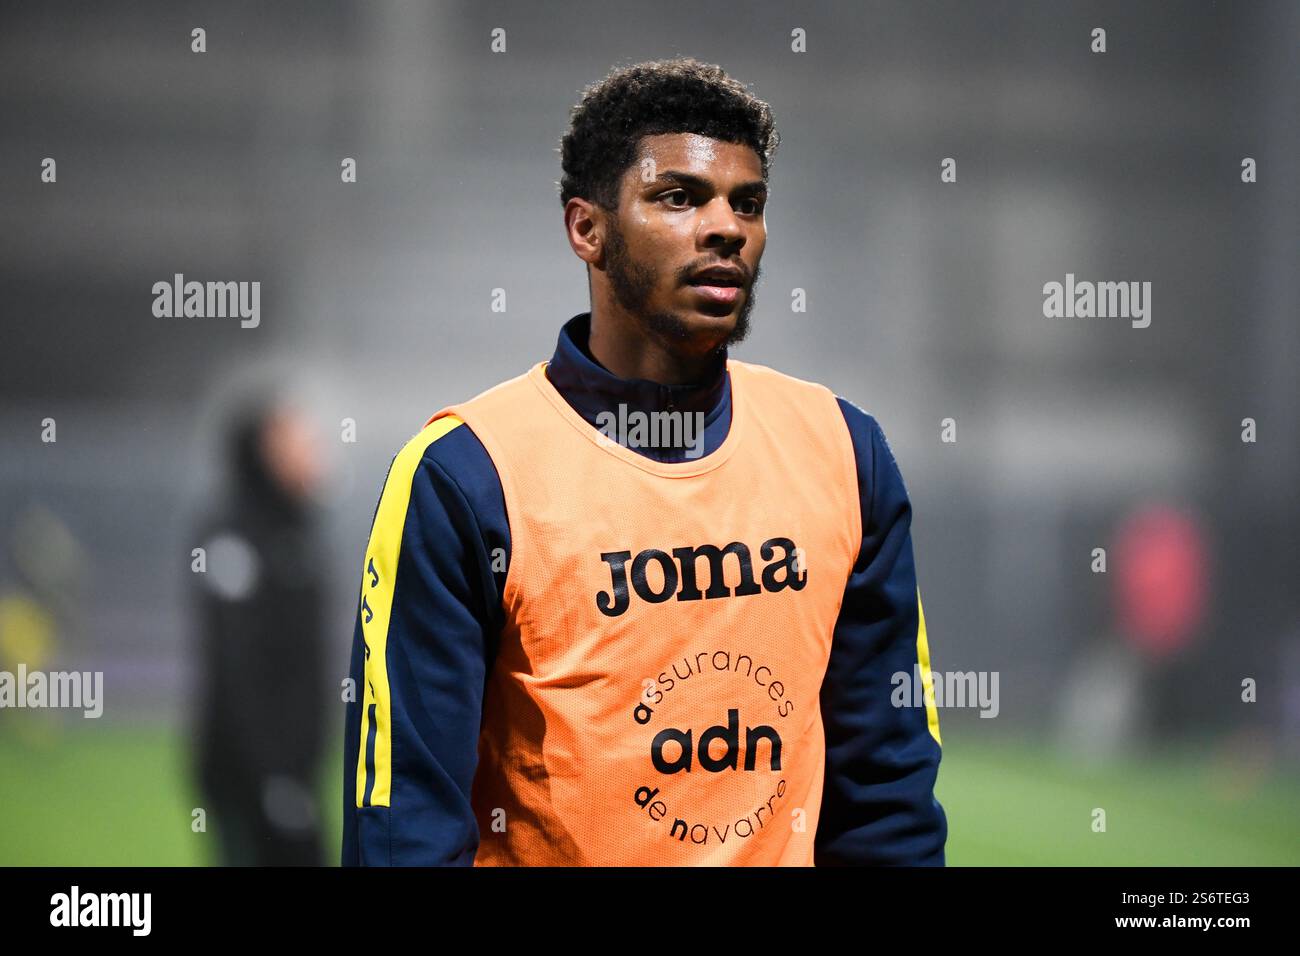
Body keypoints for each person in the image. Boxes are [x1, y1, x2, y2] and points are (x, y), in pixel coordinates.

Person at [342, 58, 946, 866]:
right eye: (680, 198)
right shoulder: (465, 476)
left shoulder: (843, 449)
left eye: (748, 203)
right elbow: (404, 825)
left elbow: (888, 789)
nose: (727, 225)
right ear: (586, 228)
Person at [191, 393, 328, 866]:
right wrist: (270, 775)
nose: (317, 452)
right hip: (247, 775)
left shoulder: (298, 531)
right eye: (302, 441)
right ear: (266, 449)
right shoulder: (232, 537)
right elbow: (237, 666)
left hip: (294, 773)